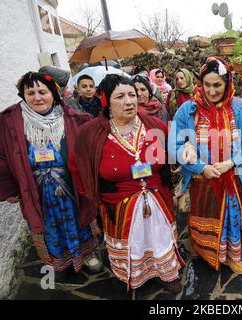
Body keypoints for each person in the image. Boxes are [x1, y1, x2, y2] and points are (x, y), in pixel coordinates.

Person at [68, 74, 184, 293]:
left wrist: (185, 152)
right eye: (120, 96)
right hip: (118, 203)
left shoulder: (154, 125)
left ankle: (166, 274)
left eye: (132, 94)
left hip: (157, 197)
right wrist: (91, 195)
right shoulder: (91, 134)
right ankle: (135, 274)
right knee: (133, 242)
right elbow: (78, 166)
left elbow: (172, 152)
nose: (129, 101)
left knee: (159, 237)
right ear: (106, 101)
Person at [0, 71, 103, 274]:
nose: (37, 97)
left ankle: (87, 253)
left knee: (80, 218)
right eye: (30, 92)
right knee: (50, 226)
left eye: (42, 91)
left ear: (54, 94)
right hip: (36, 189)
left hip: (72, 185)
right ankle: (61, 260)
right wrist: (8, 189)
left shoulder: (74, 118)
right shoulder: (9, 120)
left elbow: (93, 150)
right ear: (23, 95)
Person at [171, 56, 242, 275]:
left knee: (232, 216)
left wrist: (230, 162)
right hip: (202, 179)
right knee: (202, 214)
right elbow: (175, 145)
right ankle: (200, 247)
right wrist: (201, 167)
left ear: (227, 83)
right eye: (206, 84)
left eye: (217, 85)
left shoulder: (237, 108)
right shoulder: (188, 111)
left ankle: (231, 255)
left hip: (230, 176)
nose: (211, 90)